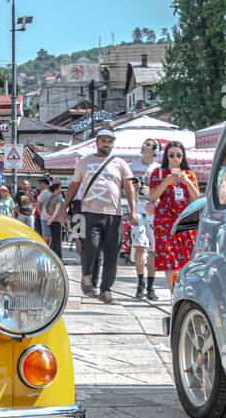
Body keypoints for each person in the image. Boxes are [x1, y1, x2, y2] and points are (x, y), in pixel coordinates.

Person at [62, 127, 137, 303]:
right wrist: (64, 208)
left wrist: (133, 210)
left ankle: (106, 290)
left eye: (110, 141)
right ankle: (87, 274)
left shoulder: (120, 163)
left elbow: (129, 188)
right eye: (103, 141)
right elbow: (74, 186)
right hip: (89, 213)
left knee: (112, 255)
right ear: (96, 142)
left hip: (114, 215)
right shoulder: (84, 162)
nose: (106, 144)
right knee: (90, 247)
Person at [149, 142, 200, 294]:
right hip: (165, 219)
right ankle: (173, 293)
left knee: (187, 255)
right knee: (169, 257)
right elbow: (152, 196)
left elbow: (197, 198)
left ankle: (186, 291)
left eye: (179, 155)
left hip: (185, 218)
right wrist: (166, 182)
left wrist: (188, 182)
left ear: (183, 157)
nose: (175, 158)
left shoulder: (189, 174)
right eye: (171, 155)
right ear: (166, 156)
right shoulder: (158, 173)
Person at [127, 138, 161, 301]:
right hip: (138, 210)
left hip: (154, 211)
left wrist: (153, 195)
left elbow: (164, 191)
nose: (143, 146)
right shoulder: (132, 167)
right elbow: (126, 189)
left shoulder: (160, 169)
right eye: (144, 144)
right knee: (140, 245)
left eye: (148, 145)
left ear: (155, 151)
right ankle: (140, 284)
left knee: (153, 249)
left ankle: (150, 286)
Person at [41, 179, 66, 258]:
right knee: (48, 237)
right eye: (58, 186)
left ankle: (56, 258)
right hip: (49, 220)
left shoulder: (59, 195)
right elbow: (40, 206)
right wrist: (46, 217)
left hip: (56, 221)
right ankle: (45, 255)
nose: (60, 188)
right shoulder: (47, 193)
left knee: (56, 241)